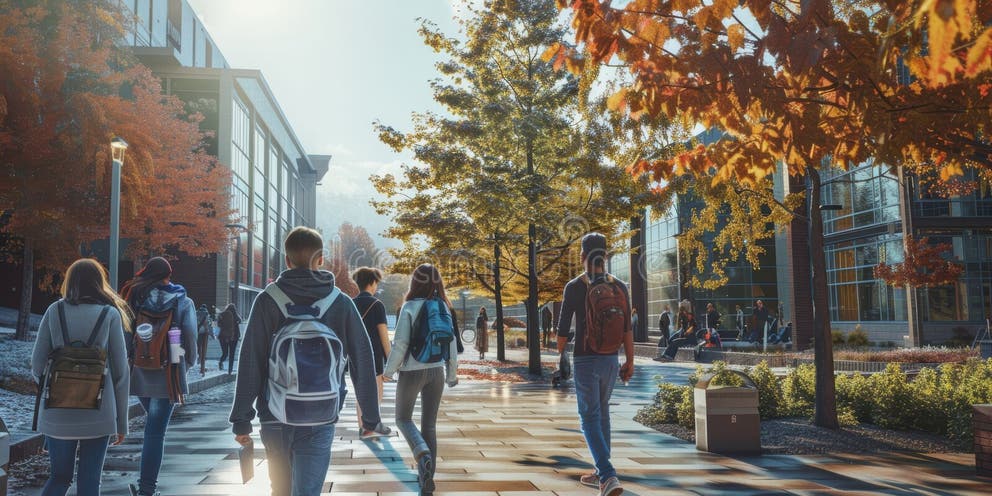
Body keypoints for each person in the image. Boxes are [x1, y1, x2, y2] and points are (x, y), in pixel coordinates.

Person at [230, 227, 390, 496]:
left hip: (274, 414)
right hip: (322, 412)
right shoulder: (341, 303)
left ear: (287, 260)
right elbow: (363, 360)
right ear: (321, 260)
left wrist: (242, 420)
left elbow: (251, 361)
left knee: (280, 489)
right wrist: (370, 417)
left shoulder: (267, 300)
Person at [31, 259, 131, 496]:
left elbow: (37, 365)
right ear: (99, 283)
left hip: (57, 414)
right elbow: (120, 372)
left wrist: (58, 385)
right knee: (89, 482)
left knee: (59, 478)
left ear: (70, 281)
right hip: (98, 414)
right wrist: (121, 423)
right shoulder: (109, 315)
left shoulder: (54, 311)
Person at [556, 233, 633, 496]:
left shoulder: (574, 286)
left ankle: (608, 475)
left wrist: (560, 353)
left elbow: (563, 331)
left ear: (582, 257)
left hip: (585, 358)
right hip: (612, 358)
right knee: (602, 414)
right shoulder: (620, 286)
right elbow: (627, 329)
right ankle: (601, 471)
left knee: (588, 417)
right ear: (606, 256)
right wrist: (630, 361)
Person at [121, 257, 198, 496]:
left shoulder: (134, 296)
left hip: (140, 370)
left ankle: (146, 487)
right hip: (170, 370)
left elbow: (125, 332)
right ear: (169, 274)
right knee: (155, 432)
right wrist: (189, 363)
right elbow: (191, 335)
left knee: (153, 425)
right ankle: (146, 489)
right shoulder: (183, 300)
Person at [384, 264, 459, 495]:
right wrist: (452, 374)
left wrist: (389, 371)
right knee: (430, 425)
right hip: (437, 371)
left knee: (402, 419)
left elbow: (401, 344)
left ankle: (421, 453)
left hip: (412, 371)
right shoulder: (444, 307)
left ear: (415, 282)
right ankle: (427, 481)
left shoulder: (409, 307)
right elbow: (452, 343)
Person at [351, 266, 391, 433]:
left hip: (354, 356)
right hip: (374, 356)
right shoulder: (377, 305)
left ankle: (363, 426)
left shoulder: (350, 304)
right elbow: (383, 336)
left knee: (360, 393)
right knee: (375, 393)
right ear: (372, 282)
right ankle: (371, 425)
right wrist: (390, 361)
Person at [217, 303, 241, 374]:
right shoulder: (236, 316)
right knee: (232, 354)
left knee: (225, 353)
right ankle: (229, 371)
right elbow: (240, 320)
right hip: (234, 337)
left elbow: (218, 324)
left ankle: (221, 361)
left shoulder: (223, 315)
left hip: (223, 337)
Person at [195, 304, 214, 374]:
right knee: (204, 349)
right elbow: (209, 325)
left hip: (197, 332)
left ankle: (199, 359)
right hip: (205, 333)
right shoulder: (206, 314)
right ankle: (202, 368)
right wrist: (212, 335)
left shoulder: (196, 313)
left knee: (198, 346)